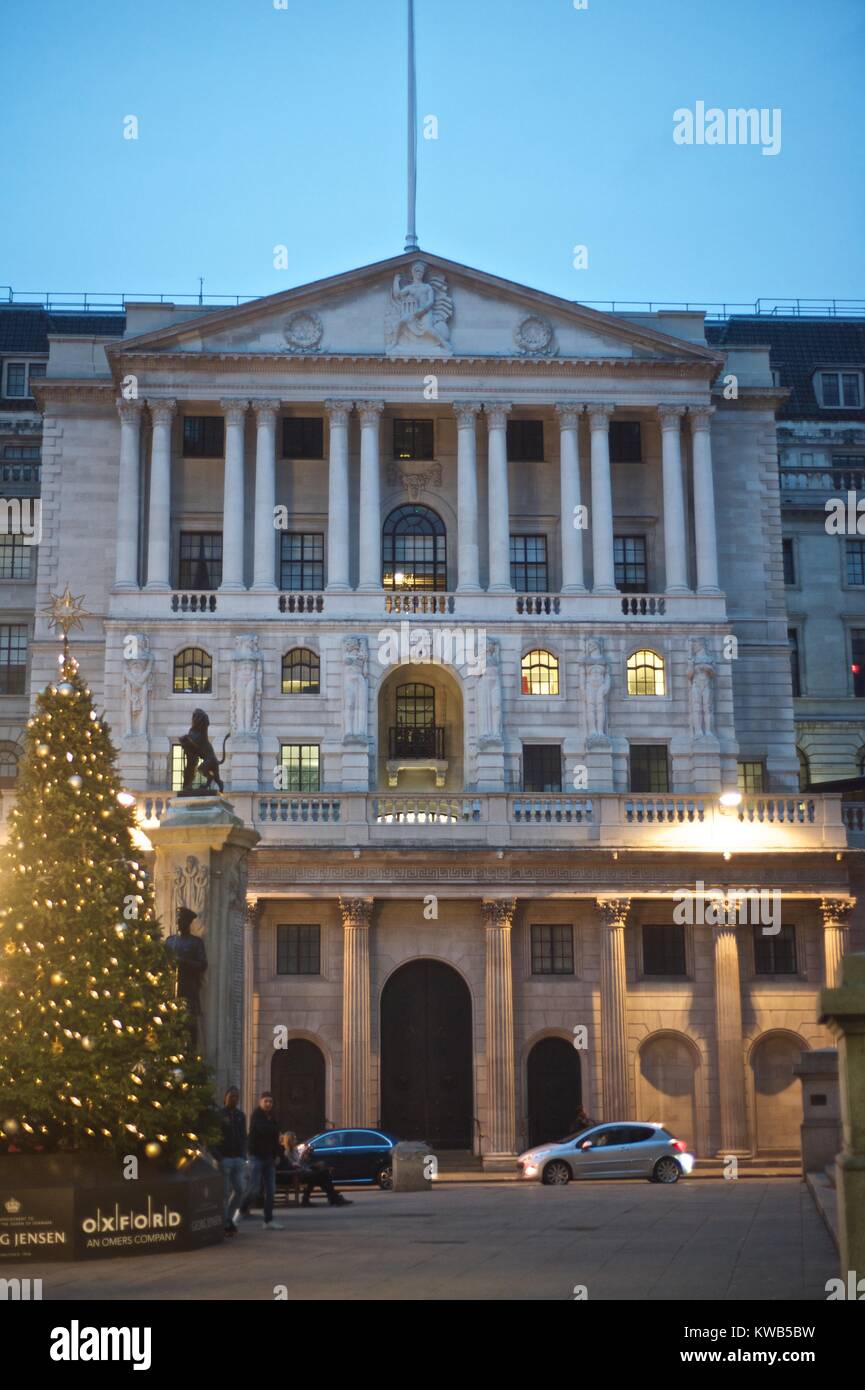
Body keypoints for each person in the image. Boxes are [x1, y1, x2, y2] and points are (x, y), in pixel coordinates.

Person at [281, 1132, 352, 1208]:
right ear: (289, 1141)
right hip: (297, 1174)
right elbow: (294, 1166)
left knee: (323, 1173)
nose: (296, 1140)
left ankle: (332, 1197)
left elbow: (300, 1163)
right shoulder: (287, 1152)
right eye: (294, 1139)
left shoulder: (295, 1150)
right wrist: (305, 1165)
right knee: (321, 1175)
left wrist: (305, 1157)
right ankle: (333, 1197)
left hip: (303, 1171)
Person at [246, 1091, 285, 1230]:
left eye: (270, 1102)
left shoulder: (272, 1117)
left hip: (269, 1158)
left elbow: (275, 1138)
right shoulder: (256, 1115)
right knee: (254, 1189)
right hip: (256, 1157)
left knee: (271, 1190)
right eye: (266, 1101)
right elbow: (266, 1131)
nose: (268, 1104)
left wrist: (278, 1155)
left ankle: (268, 1220)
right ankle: (240, 1211)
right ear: (260, 1102)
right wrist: (274, 1129)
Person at [214, 1086, 247, 1236]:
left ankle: (229, 1217)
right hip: (224, 1159)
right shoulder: (219, 1115)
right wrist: (219, 1157)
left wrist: (243, 1155)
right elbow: (213, 1138)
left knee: (240, 1190)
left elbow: (243, 1136)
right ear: (225, 1098)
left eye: (236, 1096)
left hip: (238, 1159)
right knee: (225, 1192)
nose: (234, 1099)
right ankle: (226, 1223)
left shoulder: (241, 1115)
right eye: (231, 1096)